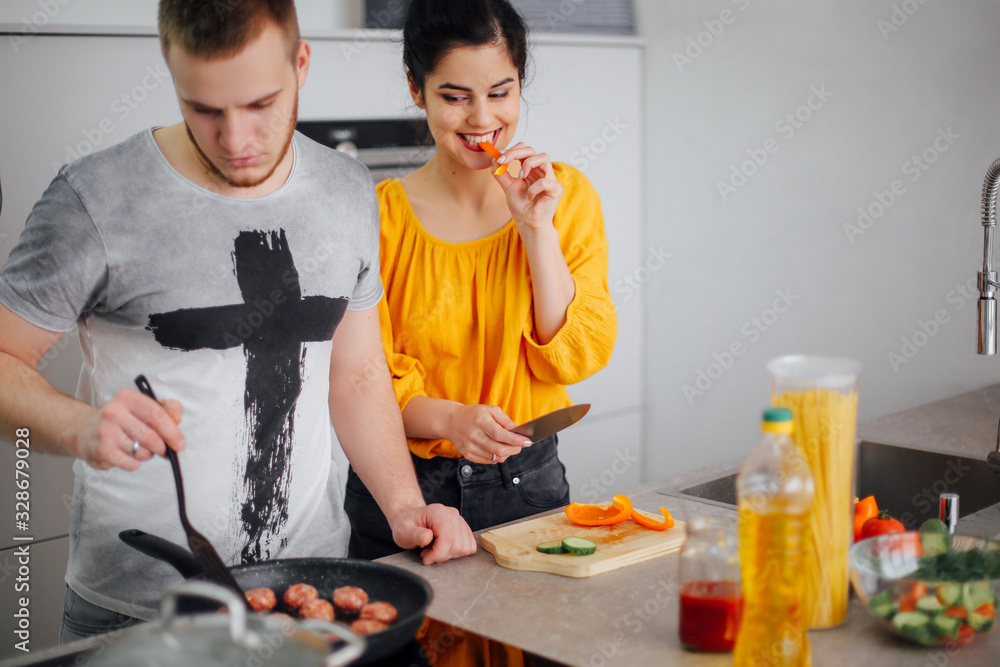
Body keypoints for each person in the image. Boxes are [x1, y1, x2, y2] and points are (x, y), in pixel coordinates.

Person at [0, 0, 475, 643]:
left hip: (308, 591)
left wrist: (405, 507)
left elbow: (357, 374)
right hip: (137, 607)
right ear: (172, 74)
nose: (237, 140)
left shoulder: (347, 189)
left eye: (260, 105)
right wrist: (79, 427)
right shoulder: (94, 197)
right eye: (204, 109)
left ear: (301, 63)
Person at [344, 0, 617, 561]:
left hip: (529, 484)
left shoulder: (564, 197)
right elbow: (363, 380)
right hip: (406, 490)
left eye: (499, 92)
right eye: (454, 97)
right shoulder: (376, 219)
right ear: (417, 90)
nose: (481, 119)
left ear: (520, 85)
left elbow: (575, 358)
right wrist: (451, 419)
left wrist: (535, 229)